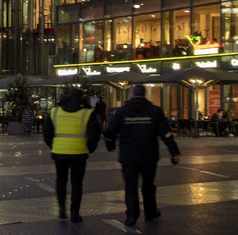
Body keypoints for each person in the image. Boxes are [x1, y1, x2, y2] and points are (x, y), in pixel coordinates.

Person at [104, 84, 180, 226]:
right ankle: (150, 213)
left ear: (131, 94)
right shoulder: (155, 111)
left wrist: (110, 145)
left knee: (131, 186)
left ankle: (132, 216)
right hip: (149, 155)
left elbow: (111, 131)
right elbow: (166, 133)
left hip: (128, 156)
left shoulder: (121, 111)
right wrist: (174, 151)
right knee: (148, 185)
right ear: (145, 94)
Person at [42, 86, 102, 222]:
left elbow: (47, 132)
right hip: (79, 153)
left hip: (59, 152)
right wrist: (89, 149)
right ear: (81, 97)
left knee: (61, 181)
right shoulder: (87, 113)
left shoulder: (55, 112)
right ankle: (75, 212)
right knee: (77, 184)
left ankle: (61, 208)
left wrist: (53, 145)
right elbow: (94, 134)